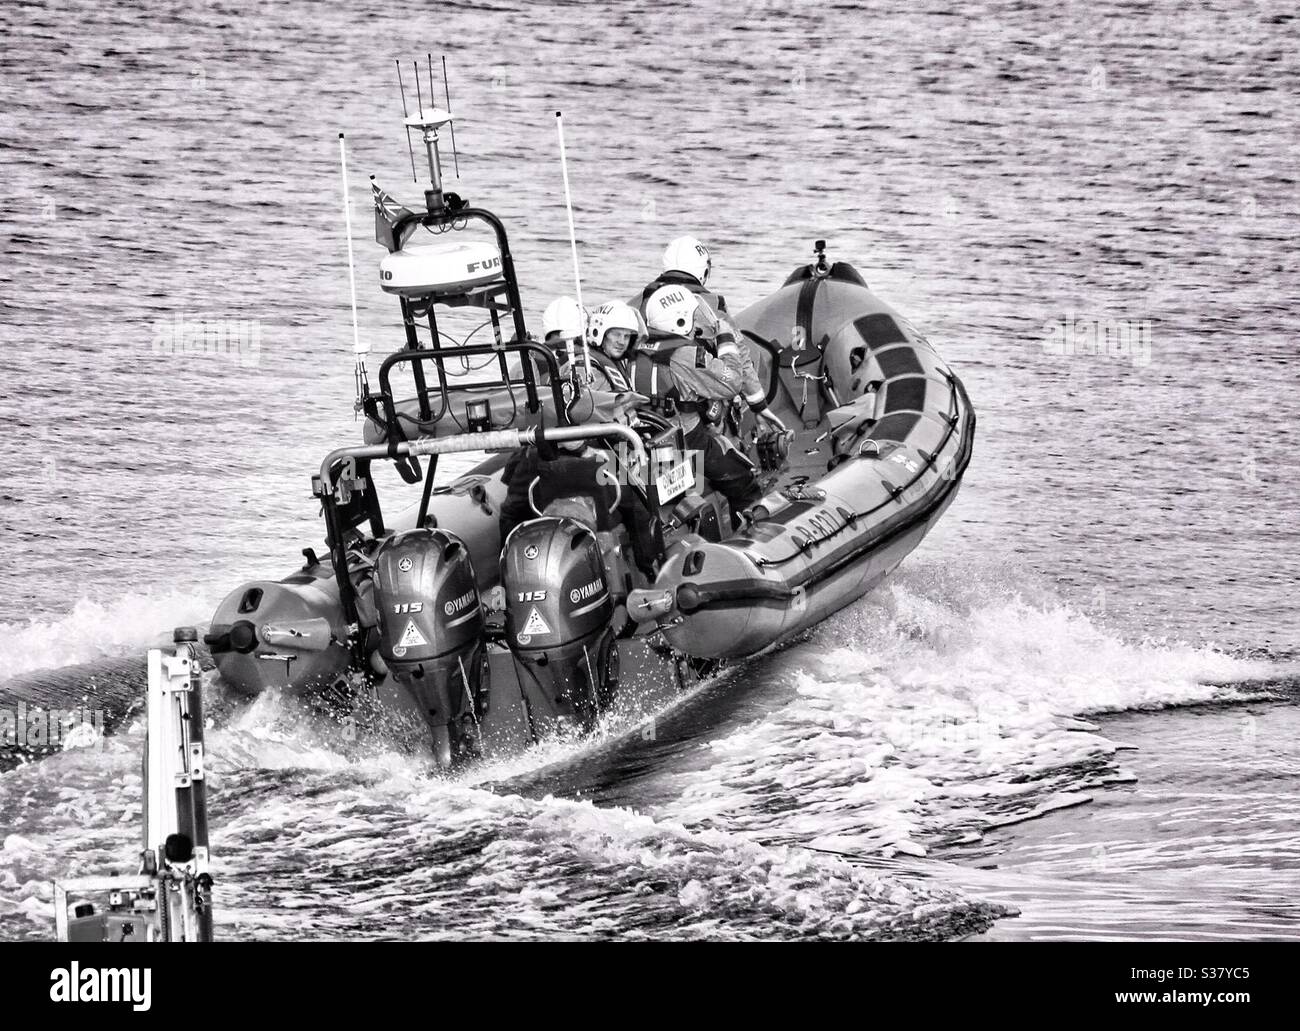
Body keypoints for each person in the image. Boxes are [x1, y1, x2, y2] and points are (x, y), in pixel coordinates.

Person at [635, 284, 769, 522]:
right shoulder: (686, 354)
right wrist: (725, 338)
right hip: (686, 437)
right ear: (680, 320)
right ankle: (750, 537)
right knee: (743, 478)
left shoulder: (639, 347)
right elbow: (732, 382)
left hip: (649, 436)